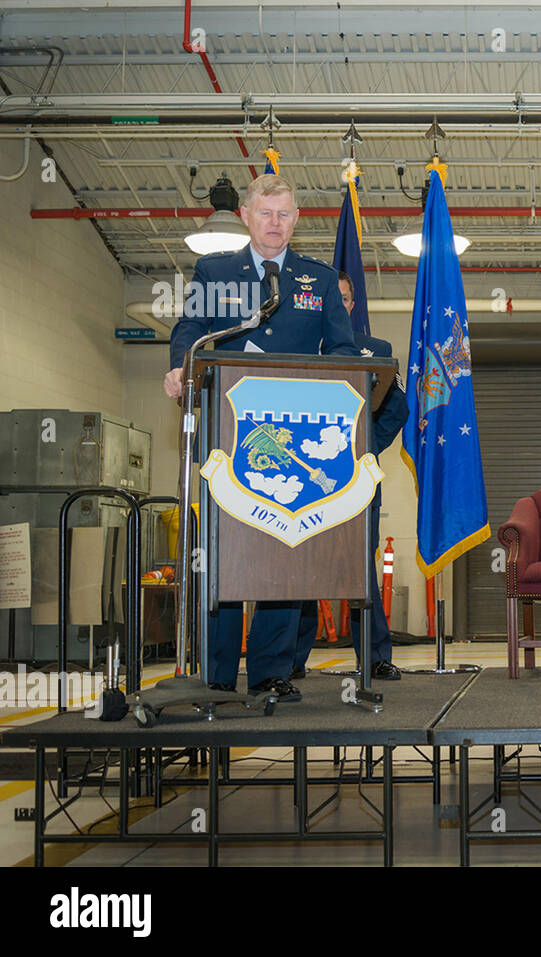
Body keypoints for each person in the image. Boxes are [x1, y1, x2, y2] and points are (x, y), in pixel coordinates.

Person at [165, 173, 360, 700]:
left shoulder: (317, 280)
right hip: (231, 433)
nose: (275, 224)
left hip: (295, 437)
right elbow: (190, 330)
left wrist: (332, 380)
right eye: (265, 214)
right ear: (247, 216)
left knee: (282, 549)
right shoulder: (216, 270)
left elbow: (344, 350)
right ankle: (220, 674)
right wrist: (181, 366)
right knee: (228, 552)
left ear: (296, 220)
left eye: (285, 215)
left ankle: (272, 671)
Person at [290, 273, 407, 681]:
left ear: (352, 304)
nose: (337, 305)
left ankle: (373, 658)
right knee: (298, 565)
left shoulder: (376, 351)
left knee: (358, 568)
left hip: (356, 481)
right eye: (330, 299)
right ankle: (288, 661)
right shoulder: (293, 344)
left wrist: (366, 450)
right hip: (299, 482)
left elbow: (397, 409)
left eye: (343, 298)